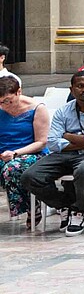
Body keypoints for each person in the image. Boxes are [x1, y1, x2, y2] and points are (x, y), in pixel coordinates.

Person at [23, 71, 84, 236]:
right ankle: (64, 205)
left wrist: (68, 136)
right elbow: (53, 143)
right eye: (80, 86)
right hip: (66, 154)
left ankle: (79, 210)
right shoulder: (63, 111)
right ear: (72, 89)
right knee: (30, 176)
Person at [0, 75, 51, 219]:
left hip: (31, 153)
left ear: (18, 92)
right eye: (1, 102)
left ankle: (31, 207)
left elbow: (41, 142)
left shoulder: (36, 108)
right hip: (3, 153)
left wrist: (15, 153)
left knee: (12, 168)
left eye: (8, 101)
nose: (4, 105)